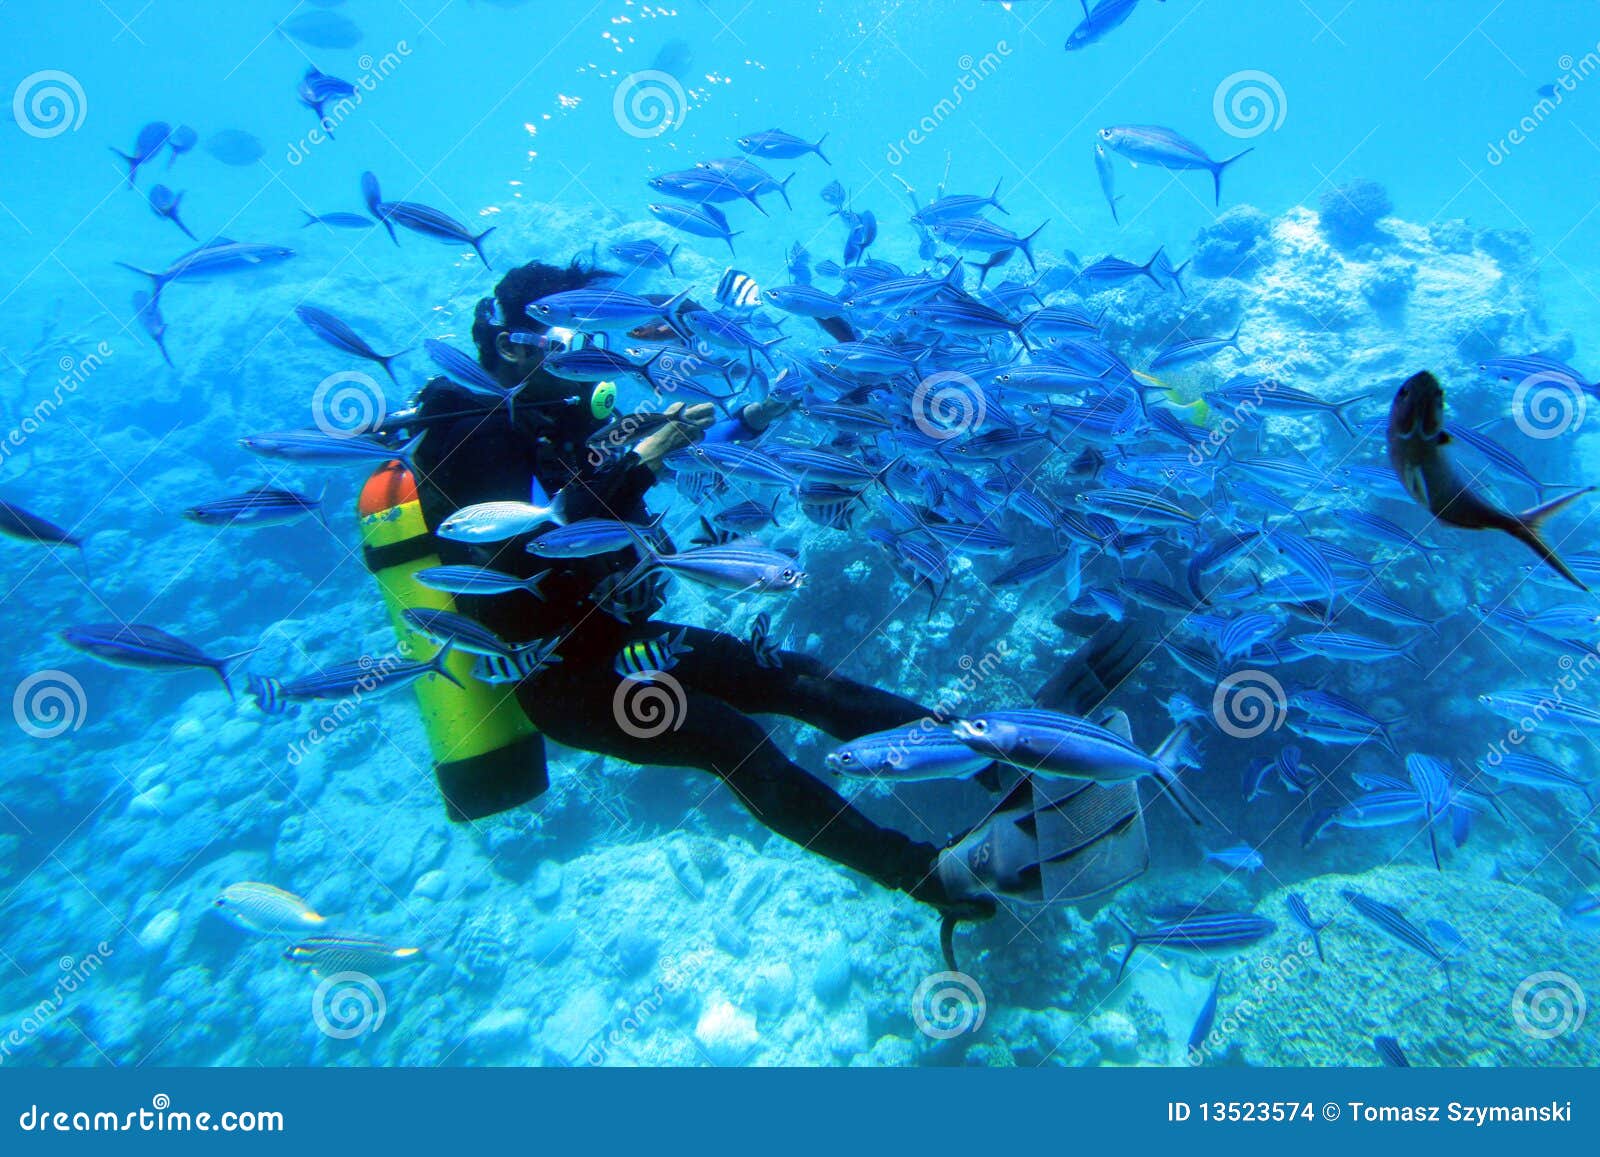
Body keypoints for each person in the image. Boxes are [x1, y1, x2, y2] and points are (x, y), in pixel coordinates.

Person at [400, 259, 986, 913]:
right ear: (514, 345)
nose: (585, 360)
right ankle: (928, 877)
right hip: (562, 676)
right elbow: (534, 542)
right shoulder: (463, 440)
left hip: (621, 634)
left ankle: (990, 756)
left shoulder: (551, 413)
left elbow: (654, 461)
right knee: (732, 740)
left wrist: (751, 423)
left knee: (801, 679)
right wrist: (640, 461)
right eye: (568, 343)